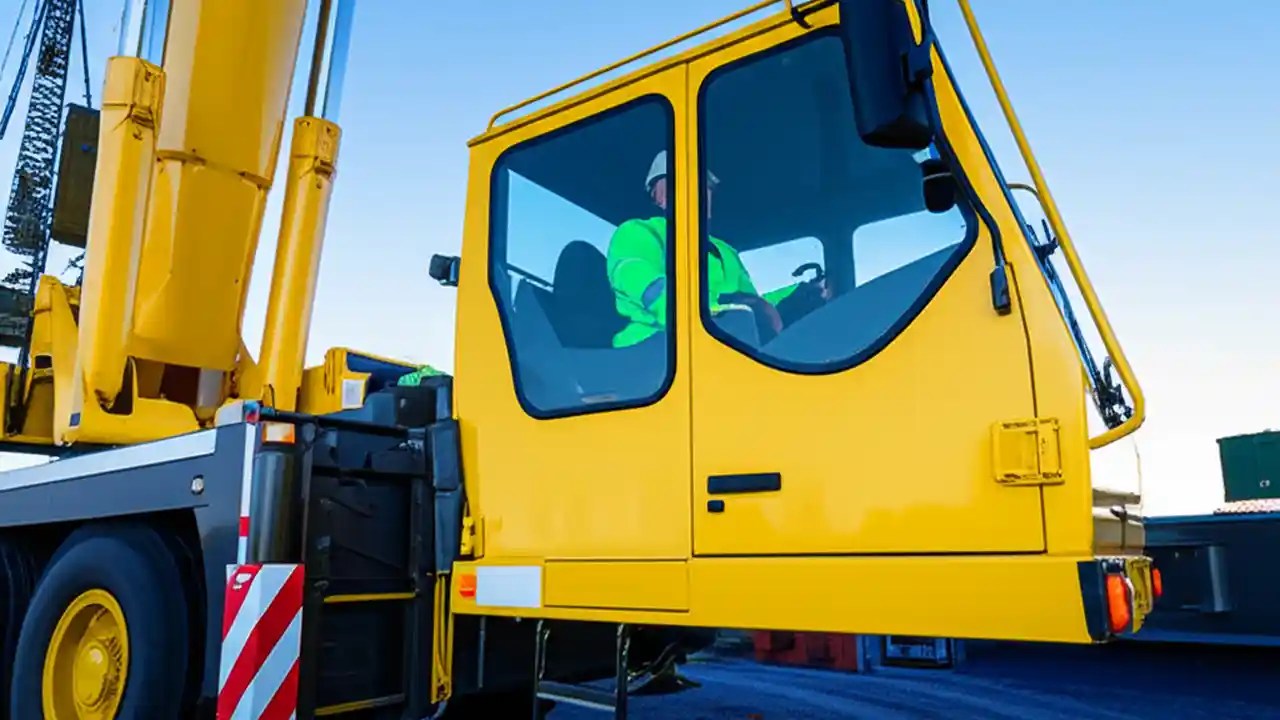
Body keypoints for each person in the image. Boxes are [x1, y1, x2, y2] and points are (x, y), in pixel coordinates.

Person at [604, 150, 828, 348]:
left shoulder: (725, 251)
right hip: (652, 350)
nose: (703, 192)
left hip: (723, 341)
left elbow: (748, 302)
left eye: (707, 186)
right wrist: (714, 314)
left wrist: (798, 294)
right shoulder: (638, 232)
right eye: (687, 181)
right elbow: (650, 286)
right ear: (659, 195)